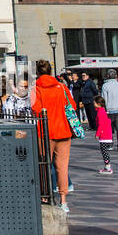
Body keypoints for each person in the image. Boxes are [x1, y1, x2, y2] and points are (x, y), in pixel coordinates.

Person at [30, 59, 74, 214]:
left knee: (43, 163)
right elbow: (72, 106)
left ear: (37, 72)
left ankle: (44, 196)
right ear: (50, 71)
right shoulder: (61, 87)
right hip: (63, 130)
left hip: (45, 132)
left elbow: (35, 109)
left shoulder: (36, 88)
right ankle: (63, 200)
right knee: (62, 166)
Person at [101, 68, 118, 151]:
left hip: (109, 110)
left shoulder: (105, 86)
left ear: (108, 76)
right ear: (116, 76)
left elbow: (104, 99)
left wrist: (104, 109)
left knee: (109, 129)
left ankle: (110, 144)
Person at [95, 97, 113, 176]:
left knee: (104, 152)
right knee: (105, 151)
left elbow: (101, 124)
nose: (93, 104)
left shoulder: (100, 112)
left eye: (94, 103)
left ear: (98, 104)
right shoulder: (102, 111)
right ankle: (107, 167)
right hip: (107, 134)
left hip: (104, 135)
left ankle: (108, 168)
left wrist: (97, 134)